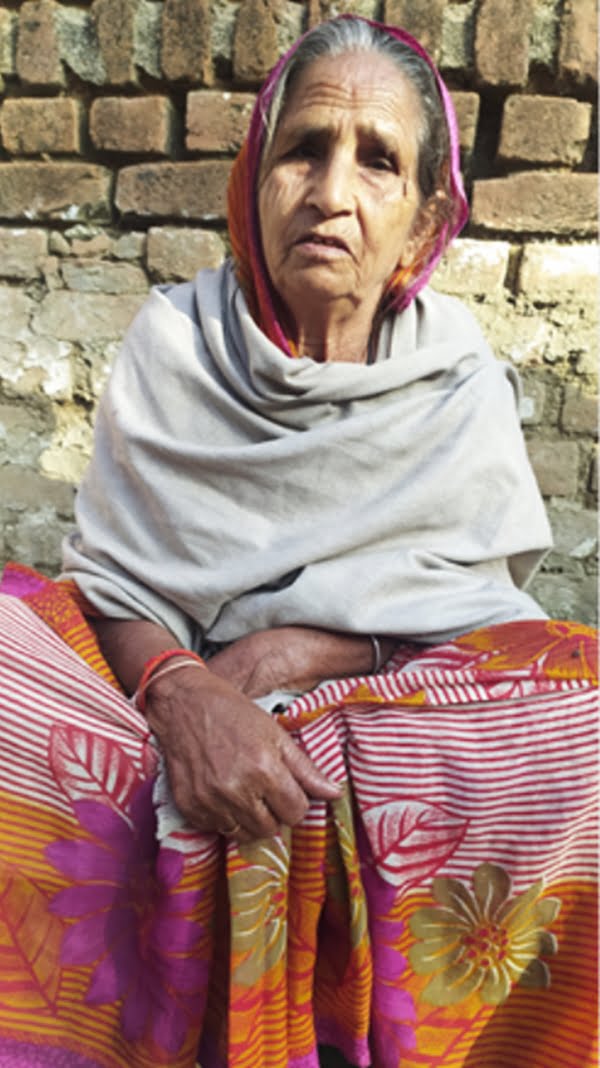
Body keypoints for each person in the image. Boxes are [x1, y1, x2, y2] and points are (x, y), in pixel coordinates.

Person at [0, 15, 596, 1068]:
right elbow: (113, 587)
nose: (331, 192)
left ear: (423, 222)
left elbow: (475, 609)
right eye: (303, 149)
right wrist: (188, 696)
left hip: (384, 703)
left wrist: (293, 658)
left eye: (377, 161)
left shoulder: (457, 381)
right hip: (157, 696)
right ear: (253, 180)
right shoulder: (174, 343)